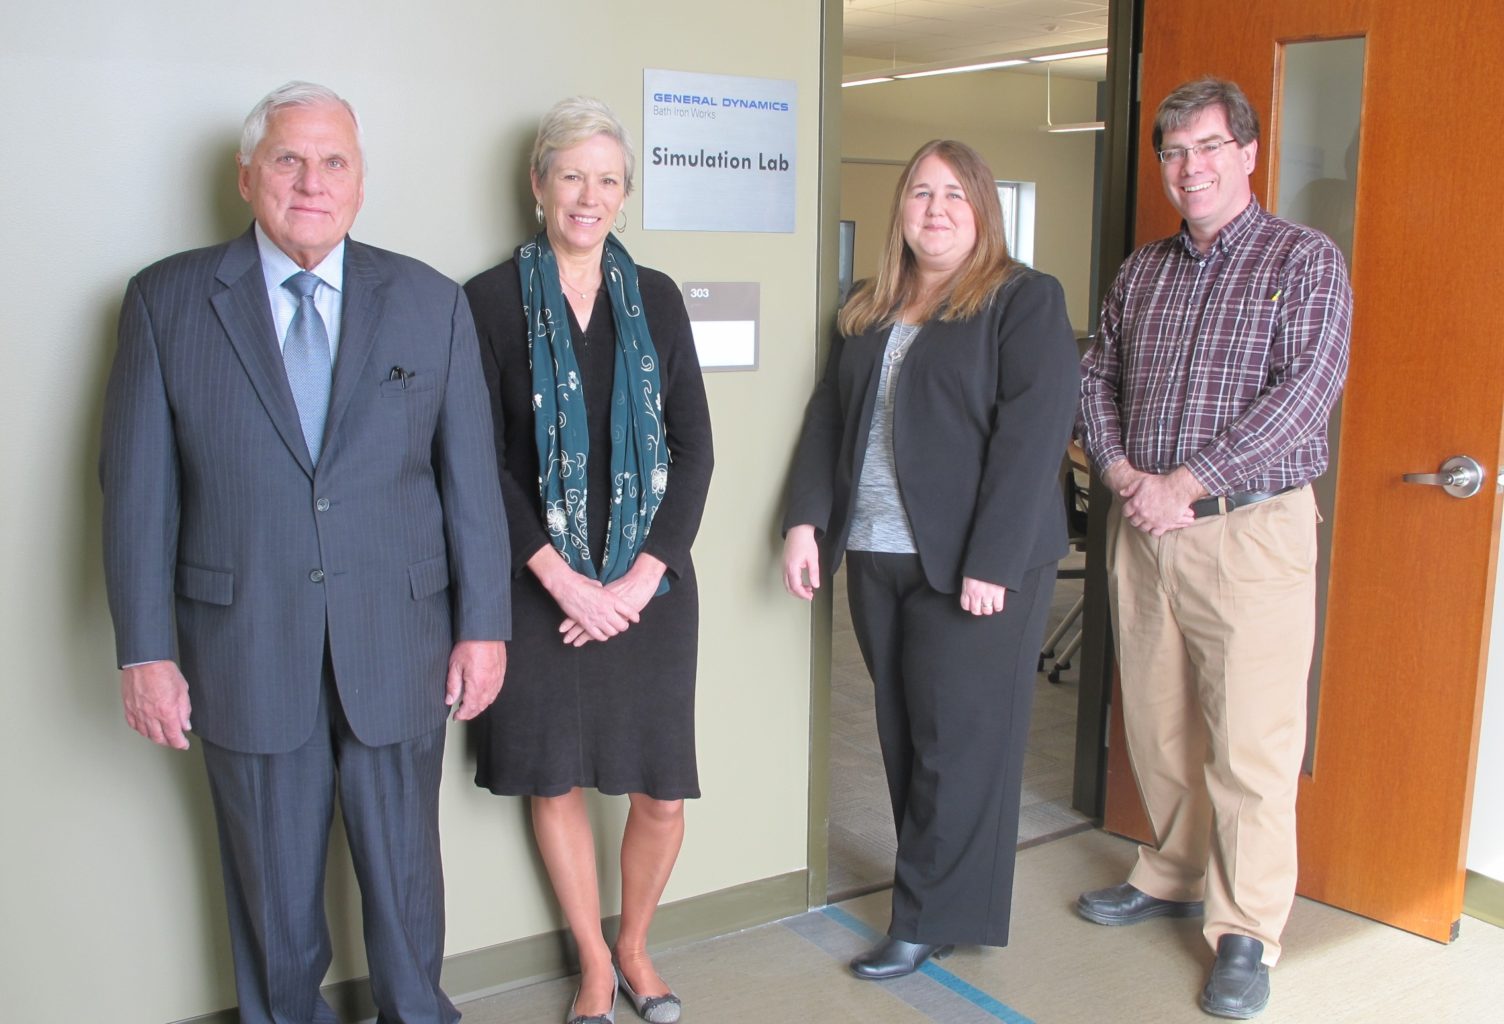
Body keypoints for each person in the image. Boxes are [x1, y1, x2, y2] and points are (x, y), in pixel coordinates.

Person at [99, 81, 510, 1024]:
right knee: (274, 902)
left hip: (400, 641)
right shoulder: (167, 303)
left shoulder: (428, 301)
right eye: (289, 158)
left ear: (361, 183)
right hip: (243, 644)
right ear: (248, 176)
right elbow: (135, 498)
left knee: (407, 887)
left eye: (334, 162)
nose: (311, 181)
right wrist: (145, 650)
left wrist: (484, 626)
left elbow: (471, 488)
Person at [1077, 77, 1351, 1020]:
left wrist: (1182, 484)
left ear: (1247, 153)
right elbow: (1097, 374)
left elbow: (1303, 397)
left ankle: (1246, 931)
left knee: (1251, 743)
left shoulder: (1305, 261)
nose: (1188, 168)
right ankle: (1174, 868)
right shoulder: (1142, 270)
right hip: (1143, 527)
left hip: (1250, 530)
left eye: (1206, 148)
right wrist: (1120, 476)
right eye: (1173, 153)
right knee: (1155, 723)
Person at [782, 139, 1080, 980]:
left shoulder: (1020, 300)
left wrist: (994, 558)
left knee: (961, 746)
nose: (936, 209)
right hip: (877, 554)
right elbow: (827, 419)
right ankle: (948, 903)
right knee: (907, 736)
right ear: (900, 209)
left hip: (975, 566)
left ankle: (922, 918)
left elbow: (1032, 439)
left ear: (982, 207)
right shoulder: (870, 306)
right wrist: (805, 521)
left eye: (954, 194)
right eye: (920, 192)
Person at [465, 96, 713, 1024]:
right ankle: (595, 966)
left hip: (649, 588)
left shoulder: (656, 298)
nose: (589, 195)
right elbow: (476, 458)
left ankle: (639, 946)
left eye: (608, 179)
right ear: (537, 185)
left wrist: (641, 577)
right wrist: (561, 576)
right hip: (540, 592)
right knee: (554, 778)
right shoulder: (485, 302)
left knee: (661, 790)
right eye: (571, 174)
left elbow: (695, 450)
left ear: (624, 195)